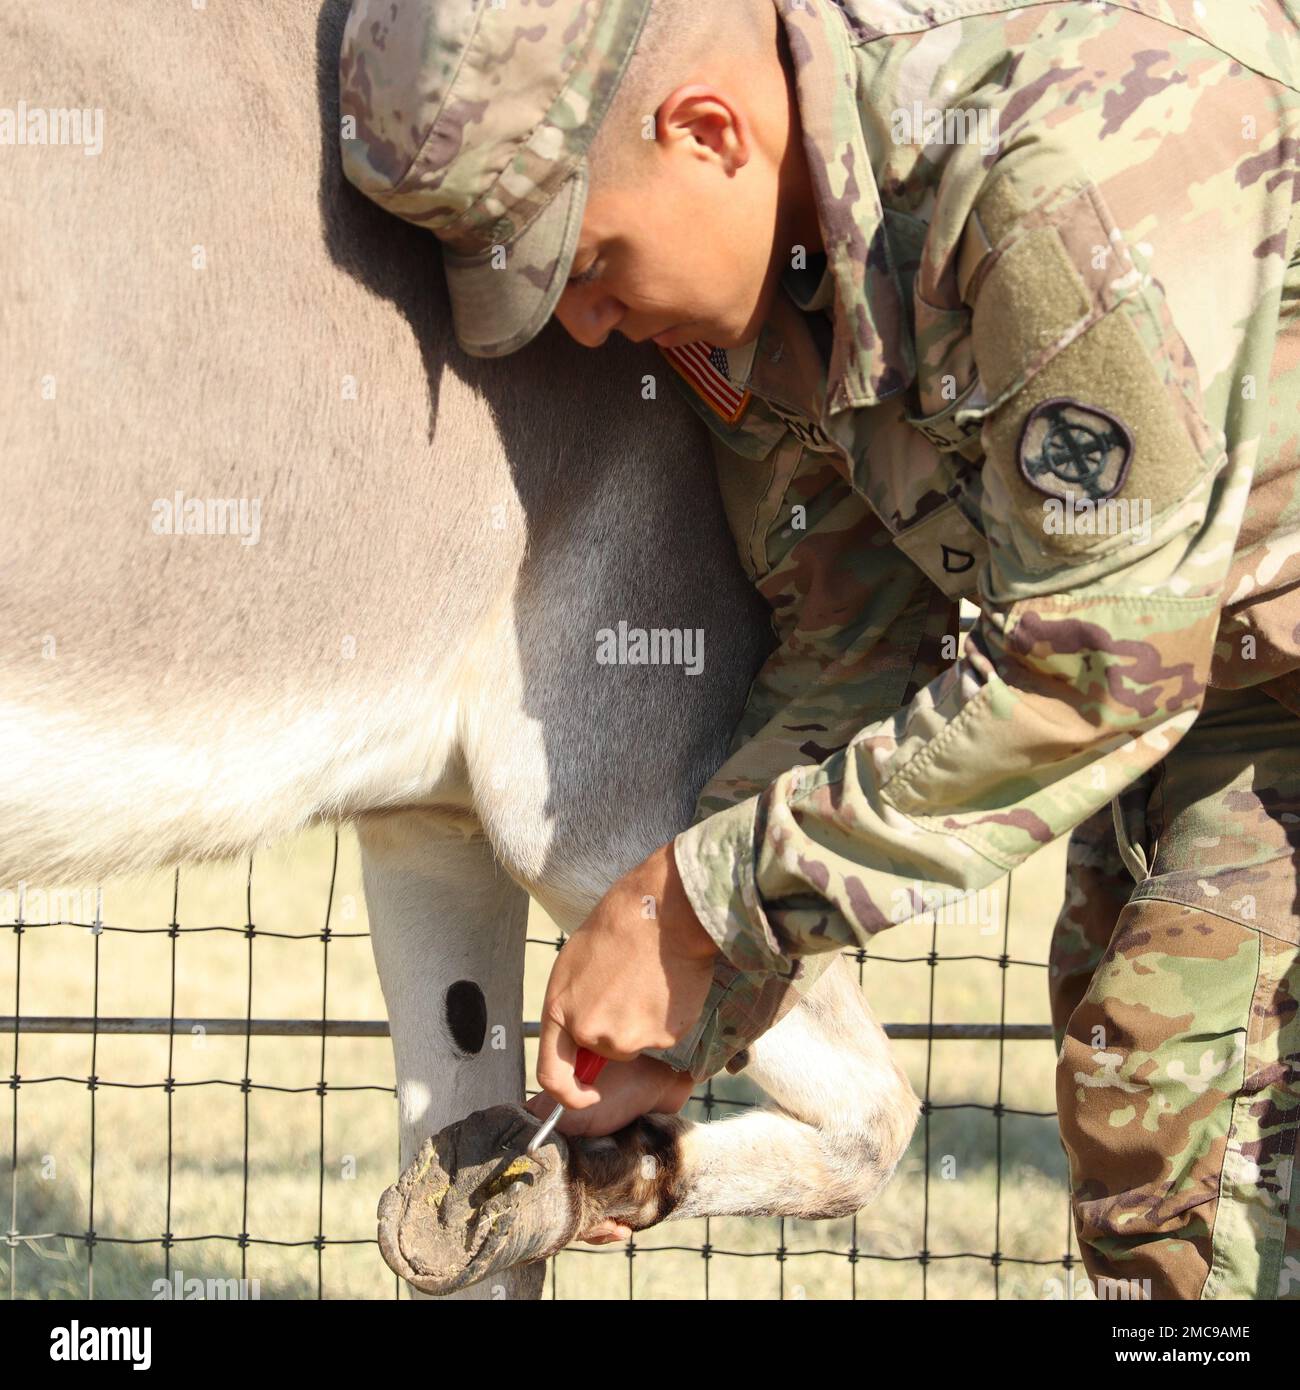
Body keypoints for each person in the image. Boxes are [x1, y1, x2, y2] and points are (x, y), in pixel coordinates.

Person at [340, 0, 1300, 1298]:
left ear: (707, 131)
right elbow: (847, 649)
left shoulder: (1047, 168)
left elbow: (1095, 661)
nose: (582, 327)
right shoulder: (771, 309)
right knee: (1152, 1124)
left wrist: (688, 907)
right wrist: (697, 1004)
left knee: (1209, 1151)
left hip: (1184, 655)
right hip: (1229, 656)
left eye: (587, 261)